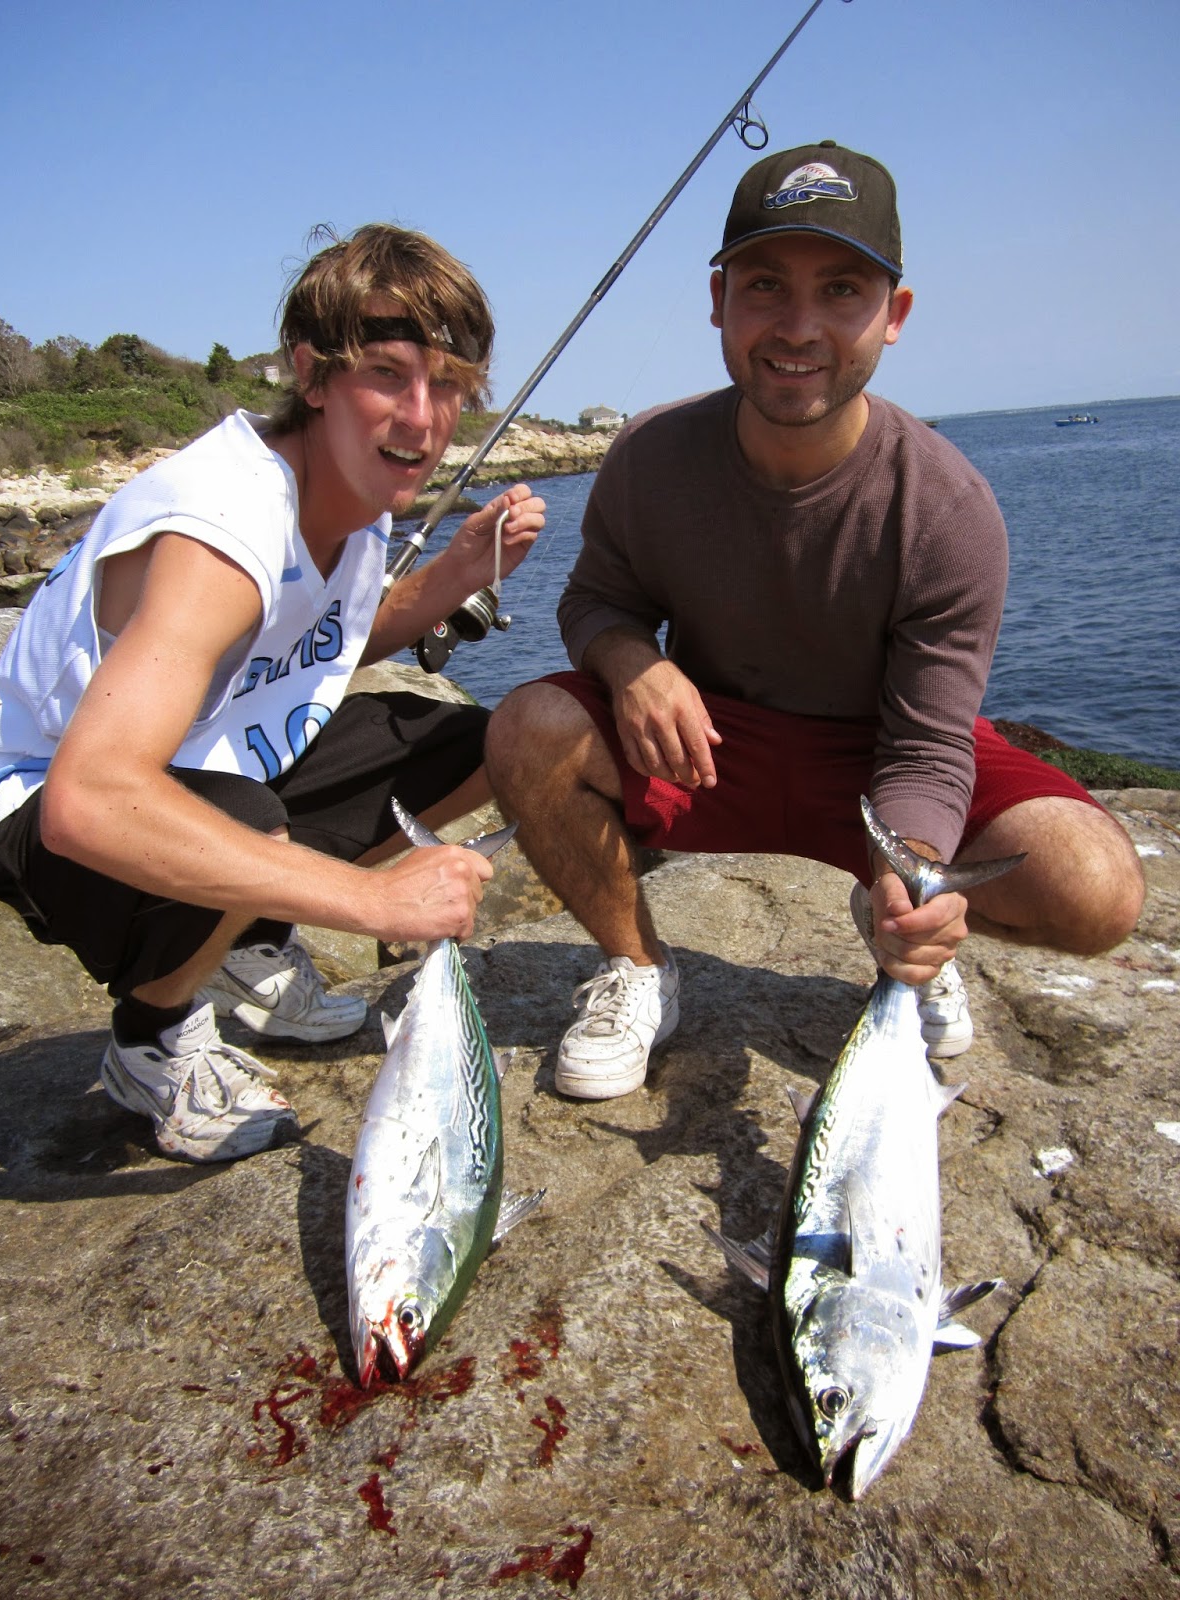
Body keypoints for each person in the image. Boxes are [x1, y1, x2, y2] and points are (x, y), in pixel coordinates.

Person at [484, 139, 1144, 1101]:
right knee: (524, 729)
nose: (798, 328)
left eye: (841, 290)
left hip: (880, 757)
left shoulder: (949, 509)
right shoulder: (650, 454)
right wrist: (631, 663)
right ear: (719, 299)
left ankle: (893, 918)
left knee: (1097, 889)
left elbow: (927, 746)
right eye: (765, 286)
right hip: (715, 750)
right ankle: (636, 967)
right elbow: (595, 600)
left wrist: (913, 875)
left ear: (894, 315)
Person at [0, 223, 545, 1159]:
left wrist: (455, 572)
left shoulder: (353, 492)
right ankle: (151, 1042)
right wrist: (370, 903)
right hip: (36, 799)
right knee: (248, 820)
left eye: (447, 384)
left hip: (204, 752)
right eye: (387, 375)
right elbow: (90, 802)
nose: (422, 418)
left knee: (464, 742)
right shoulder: (224, 525)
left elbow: (331, 640)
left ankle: (243, 943)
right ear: (313, 374)